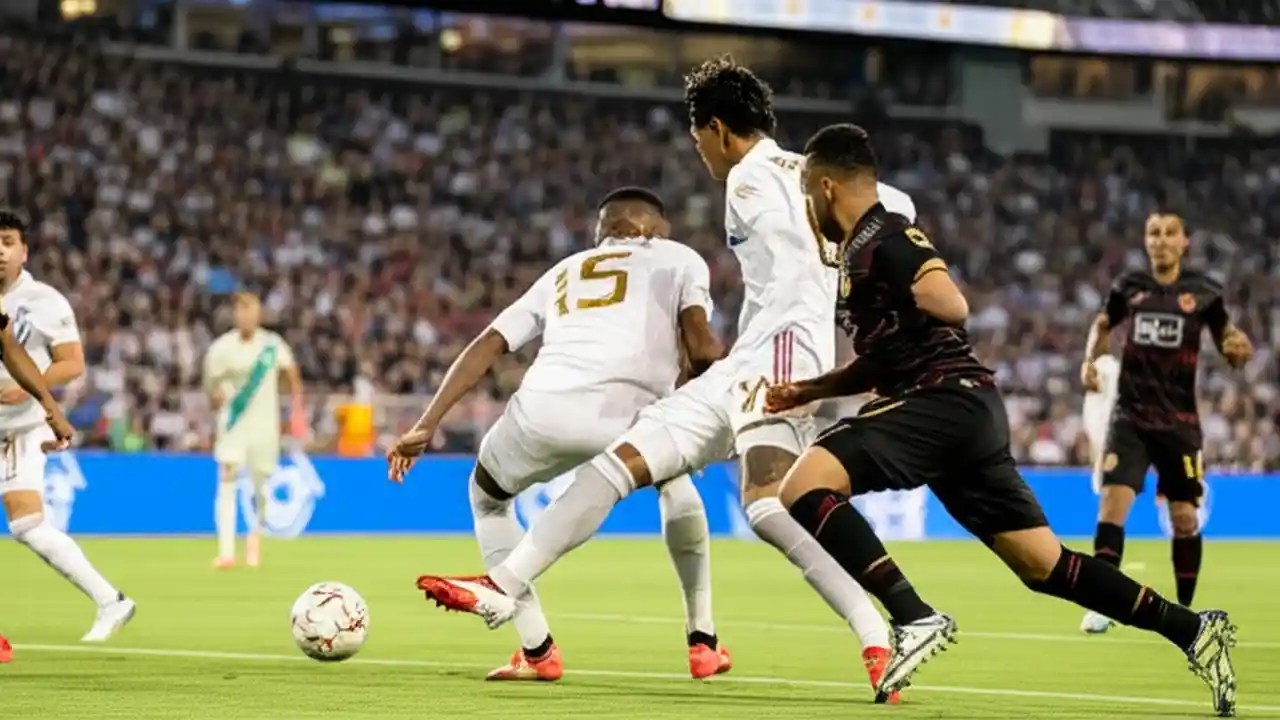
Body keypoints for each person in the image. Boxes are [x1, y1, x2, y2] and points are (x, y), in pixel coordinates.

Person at [410, 57, 912, 698]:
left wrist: (820, 322)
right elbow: (895, 209)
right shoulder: (833, 181)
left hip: (783, 357)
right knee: (635, 464)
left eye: (698, 135)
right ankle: (509, 587)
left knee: (766, 499)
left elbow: (790, 258)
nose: (699, 150)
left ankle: (882, 626)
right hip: (749, 361)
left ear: (721, 130)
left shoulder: (750, 178)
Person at [762, 123, 1238, 716]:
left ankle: (914, 616)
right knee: (1044, 565)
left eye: (808, 193)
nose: (809, 207)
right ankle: (1193, 631)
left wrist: (920, 310)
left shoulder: (881, 234)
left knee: (802, 485)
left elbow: (950, 302)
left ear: (825, 186)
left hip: (940, 400)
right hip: (966, 409)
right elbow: (884, 357)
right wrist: (810, 389)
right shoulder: (862, 248)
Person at [389, 187, 729, 681]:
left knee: (487, 496)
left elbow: (490, 343)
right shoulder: (679, 257)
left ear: (609, 231)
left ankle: (536, 649)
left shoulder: (565, 270)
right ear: (649, 229)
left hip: (542, 412)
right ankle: (703, 640)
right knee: (674, 482)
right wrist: (710, 399)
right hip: (635, 418)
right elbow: (701, 346)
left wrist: (427, 423)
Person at [1078, 212, 1253, 634]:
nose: (1161, 240)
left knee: (1184, 519)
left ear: (1184, 241)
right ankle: (1104, 603)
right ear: (1146, 241)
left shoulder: (1204, 293)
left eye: (1169, 233)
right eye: (1153, 233)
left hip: (1178, 423)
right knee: (1111, 506)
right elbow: (1103, 324)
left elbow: (1229, 339)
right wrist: (1090, 360)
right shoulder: (1129, 287)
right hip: (1130, 418)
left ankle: (1185, 608)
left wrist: (1237, 348)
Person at [0, 210, 131, 643]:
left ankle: (110, 600)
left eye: (7, 241)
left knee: (28, 526)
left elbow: (70, 362)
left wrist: (35, 393)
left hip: (20, 427)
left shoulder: (45, 301)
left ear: (24, 250)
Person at [202, 292, 304, 569]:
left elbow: (291, 374)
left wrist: (294, 410)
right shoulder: (222, 347)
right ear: (234, 315)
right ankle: (225, 551)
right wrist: (216, 398)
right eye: (241, 311)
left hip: (264, 425)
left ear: (258, 315)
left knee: (261, 485)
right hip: (233, 423)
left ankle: (254, 536)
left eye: (251, 311)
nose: (246, 316)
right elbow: (210, 385)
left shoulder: (272, 345)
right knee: (227, 477)